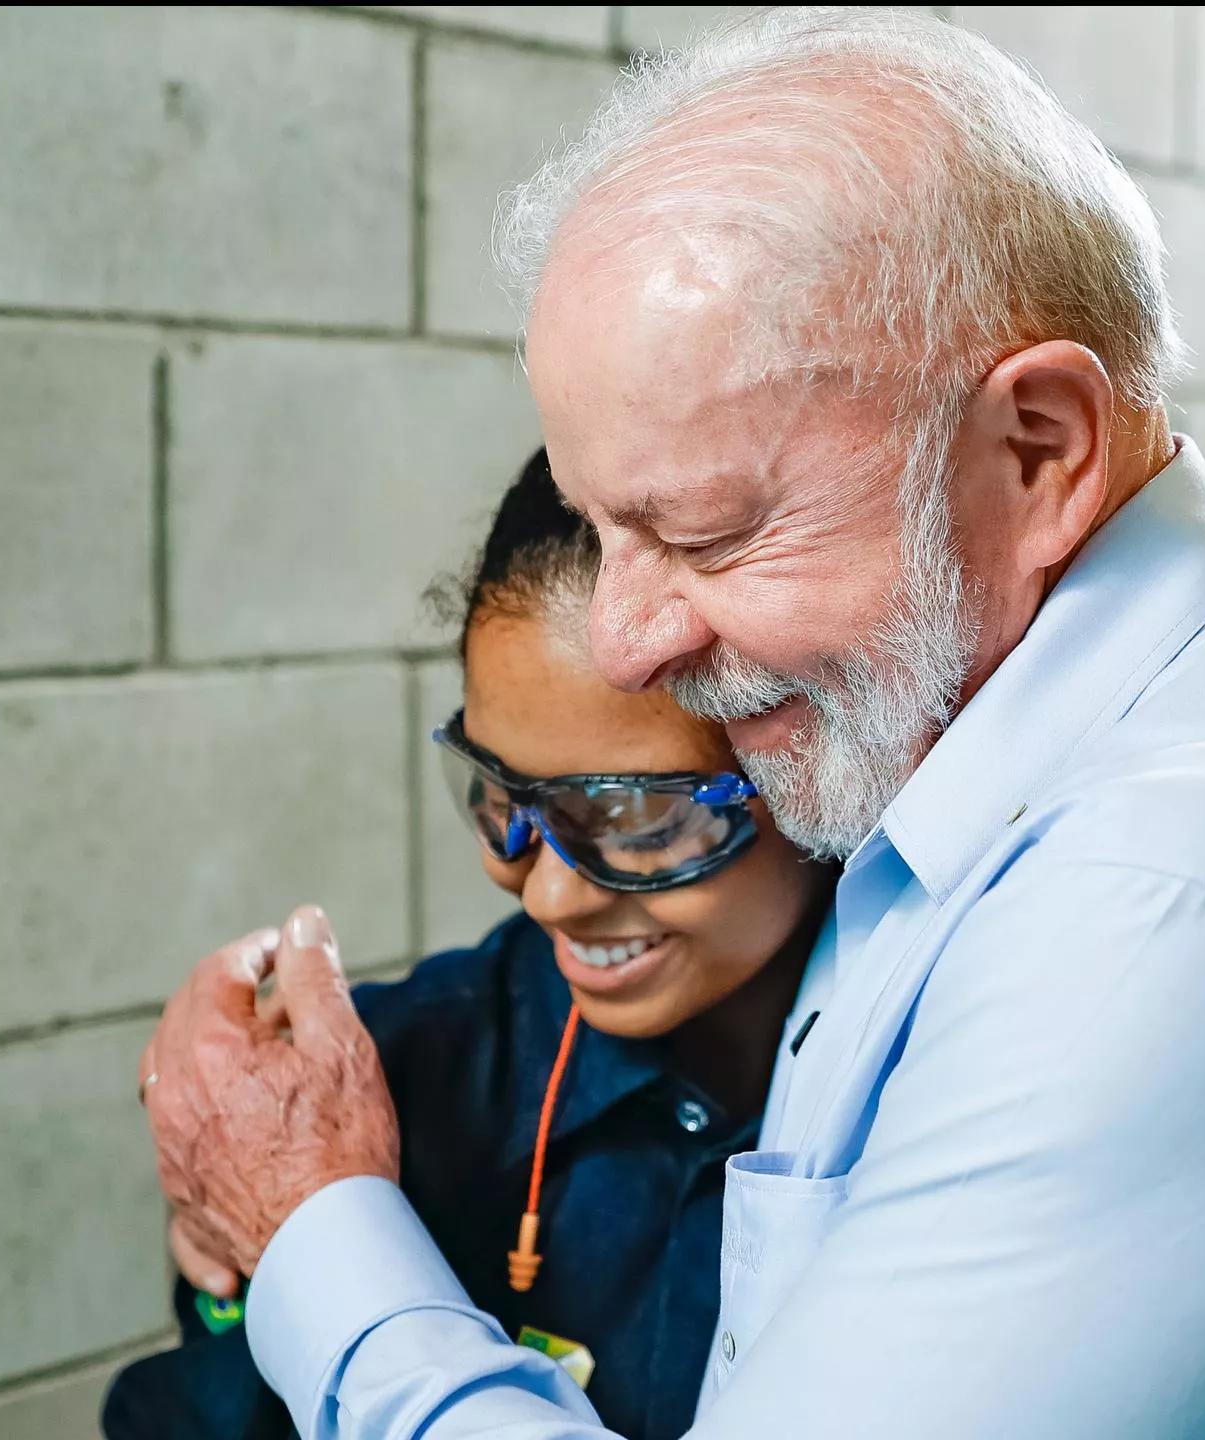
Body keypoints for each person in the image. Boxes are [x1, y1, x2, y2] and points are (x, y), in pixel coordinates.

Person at [134, 10, 1205, 1439]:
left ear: (1042, 447)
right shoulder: (956, 779)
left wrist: (319, 1241)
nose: (632, 643)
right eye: (600, 527)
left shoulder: (1177, 905)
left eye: (704, 534)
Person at [103, 449, 831, 1440]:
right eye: (502, 797)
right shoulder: (378, 1095)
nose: (551, 893)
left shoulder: (949, 1072)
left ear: (821, 768)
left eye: (635, 818)